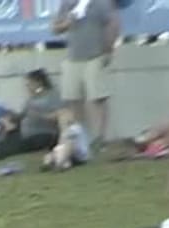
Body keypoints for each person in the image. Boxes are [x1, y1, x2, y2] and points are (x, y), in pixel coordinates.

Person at [52, 0, 119, 147]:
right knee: (73, 99)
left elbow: (113, 24)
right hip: (73, 58)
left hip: (95, 56)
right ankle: (81, 136)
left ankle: (100, 137)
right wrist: (66, 24)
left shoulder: (101, 3)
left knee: (98, 97)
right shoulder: (67, 3)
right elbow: (55, 28)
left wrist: (109, 50)